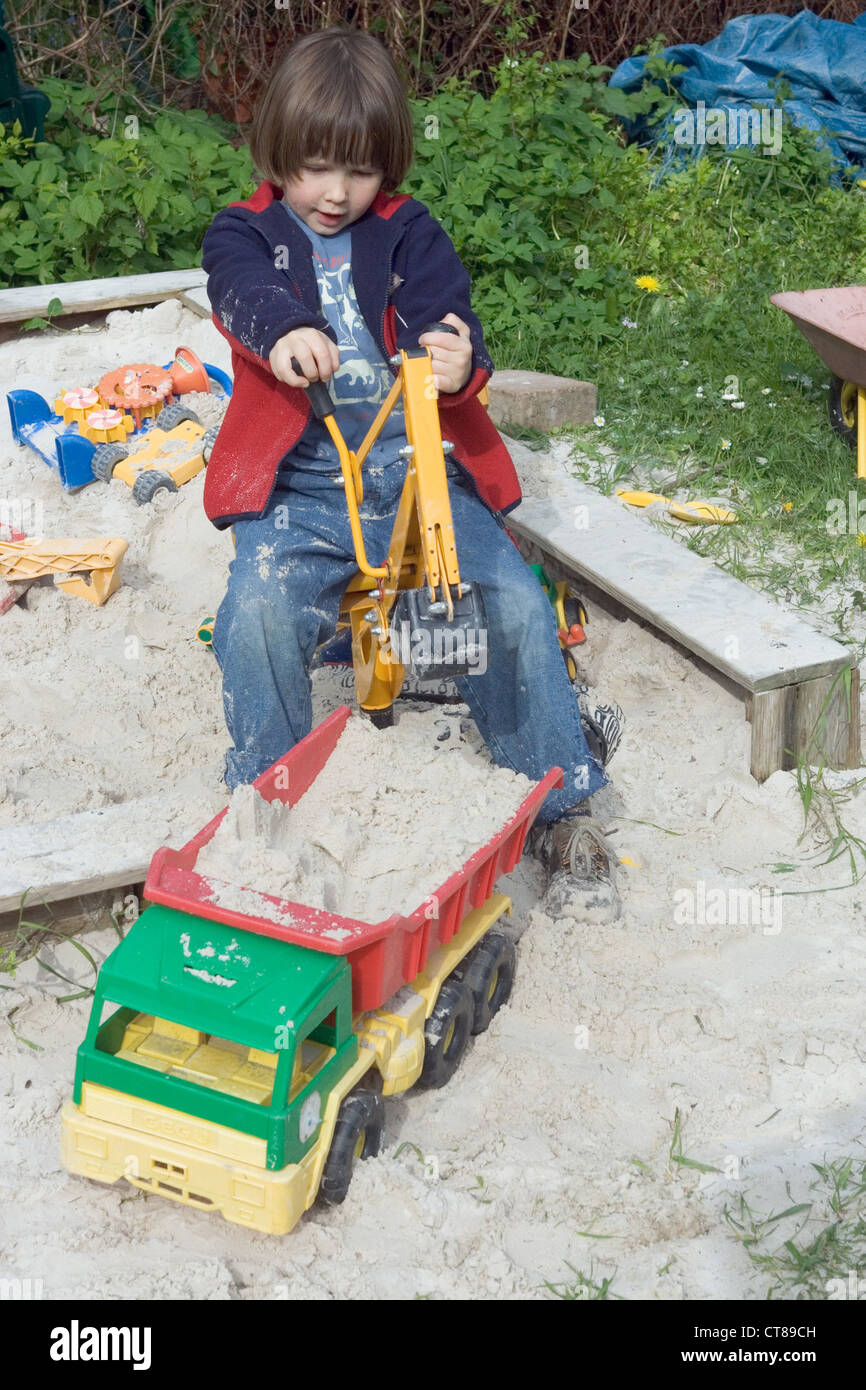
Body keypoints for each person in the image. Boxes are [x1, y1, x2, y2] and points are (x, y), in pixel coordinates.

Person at [200, 26, 622, 920]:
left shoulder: (407, 231)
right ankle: (265, 802)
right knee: (260, 609)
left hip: (421, 471)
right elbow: (239, 293)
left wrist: (456, 358)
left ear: (385, 168)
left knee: (506, 601)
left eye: (356, 172)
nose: (333, 192)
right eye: (313, 167)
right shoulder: (246, 234)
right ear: (279, 153)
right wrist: (282, 333)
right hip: (305, 486)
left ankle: (559, 812)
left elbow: (451, 320)